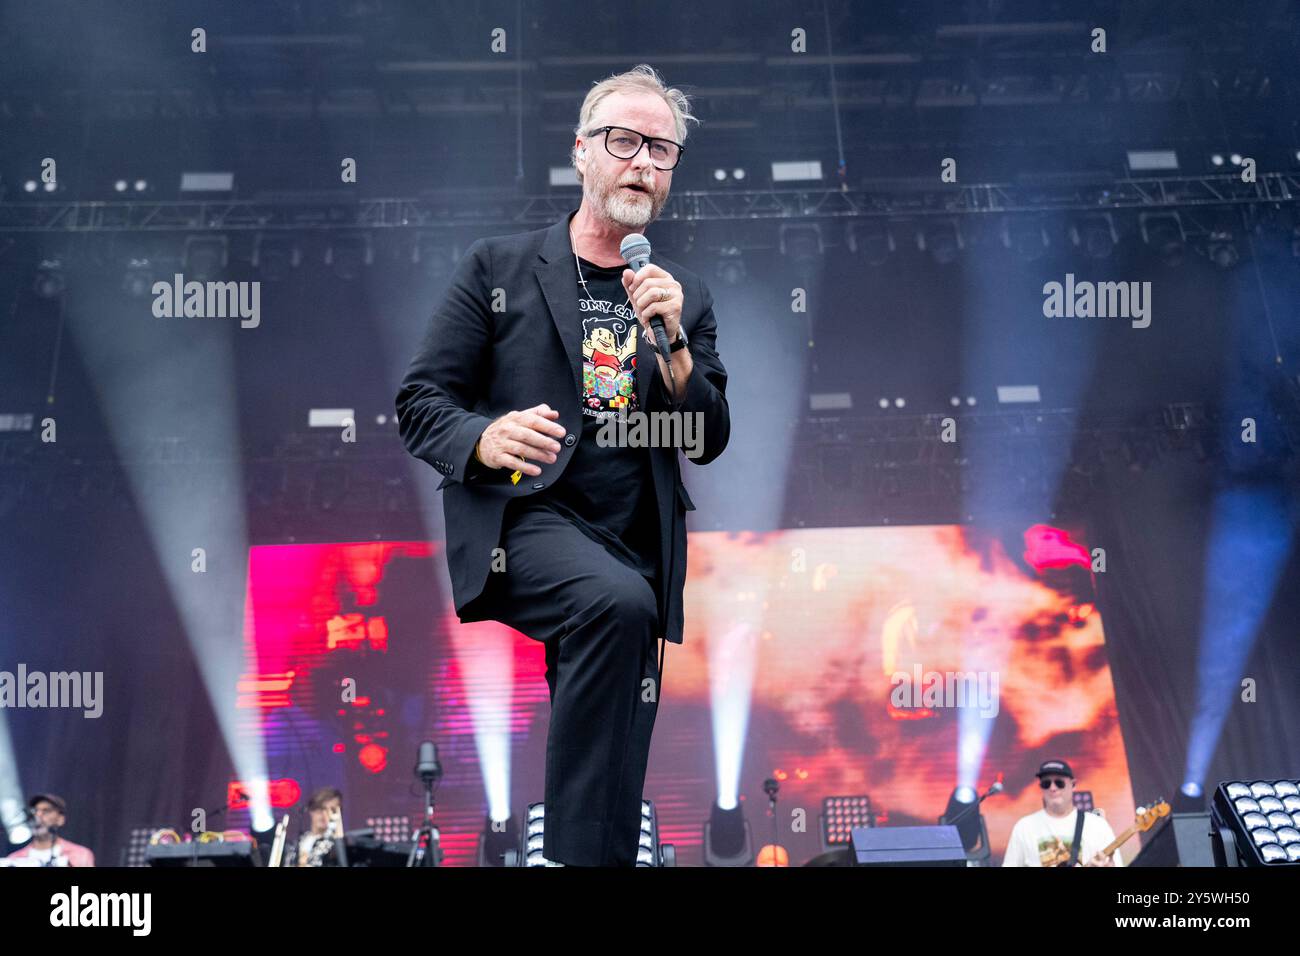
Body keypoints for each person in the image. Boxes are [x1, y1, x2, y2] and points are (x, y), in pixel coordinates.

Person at [396, 63, 730, 866]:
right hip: (527, 520)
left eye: (663, 149)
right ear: (580, 151)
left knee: (621, 724)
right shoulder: (497, 268)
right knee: (612, 606)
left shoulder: (680, 293)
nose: (643, 162)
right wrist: (481, 439)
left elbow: (706, 435)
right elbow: (420, 400)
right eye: (625, 141)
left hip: (634, 543)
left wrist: (674, 342)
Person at [1002, 760, 1123, 867]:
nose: (1053, 788)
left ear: (1073, 785)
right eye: (1046, 783)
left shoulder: (1097, 825)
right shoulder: (1024, 827)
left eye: (1059, 783)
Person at [4, 793, 95, 867]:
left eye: (46, 811)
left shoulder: (80, 855)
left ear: (60, 819)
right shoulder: (14, 859)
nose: (38, 815)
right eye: (35, 811)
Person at [294, 786, 345, 867]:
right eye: (321, 809)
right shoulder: (298, 842)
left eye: (332, 810)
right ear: (311, 810)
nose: (325, 814)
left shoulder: (337, 846)